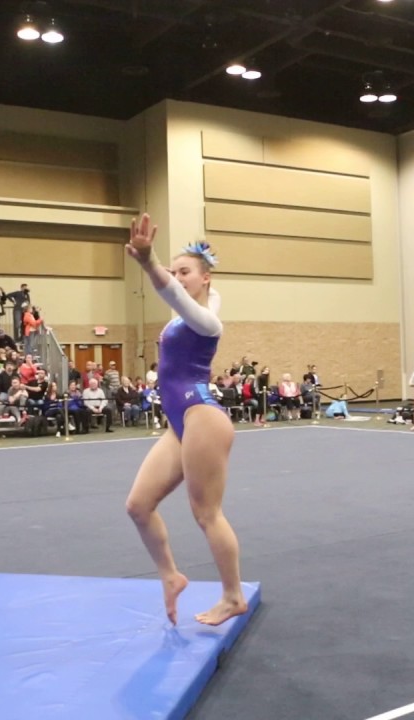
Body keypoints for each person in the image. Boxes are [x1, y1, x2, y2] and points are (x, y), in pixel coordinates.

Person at [123, 214, 245, 627]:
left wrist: (148, 261)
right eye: (175, 271)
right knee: (138, 506)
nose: (178, 277)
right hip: (179, 423)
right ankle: (170, 576)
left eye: (185, 271)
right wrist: (193, 264)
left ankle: (232, 596)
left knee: (207, 513)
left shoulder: (206, 321)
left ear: (205, 277)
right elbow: (193, 295)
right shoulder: (196, 311)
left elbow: (173, 293)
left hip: (201, 417)